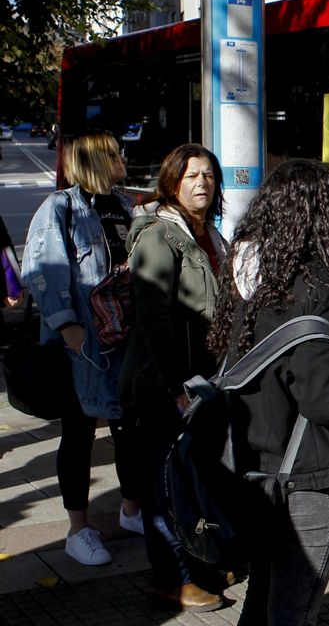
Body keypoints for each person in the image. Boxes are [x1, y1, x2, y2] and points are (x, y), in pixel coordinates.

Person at [206, 159, 329, 626]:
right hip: (306, 476)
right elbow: (327, 399)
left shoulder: (248, 272)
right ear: (322, 213)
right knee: (294, 609)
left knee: (263, 595)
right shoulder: (316, 286)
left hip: (253, 466)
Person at [21, 131, 145, 567]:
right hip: (83, 346)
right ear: (93, 159)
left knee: (130, 430)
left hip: (128, 342)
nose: (121, 158)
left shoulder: (129, 206)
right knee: (79, 434)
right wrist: (66, 323)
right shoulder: (62, 207)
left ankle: (132, 510)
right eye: (113, 153)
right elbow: (41, 266)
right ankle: (78, 528)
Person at [120, 144, 227, 611]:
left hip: (203, 380)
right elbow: (153, 318)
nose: (201, 183)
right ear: (172, 182)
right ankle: (172, 578)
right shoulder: (160, 234)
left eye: (208, 175)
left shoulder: (207, 232)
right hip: (165, 387)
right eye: (191, 176)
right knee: (165, 486)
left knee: (196, 480)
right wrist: (178, 385)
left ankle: (199, 563)